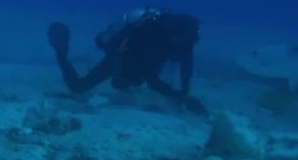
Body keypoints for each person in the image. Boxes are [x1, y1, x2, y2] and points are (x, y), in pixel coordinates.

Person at [47, 7, 207, 113]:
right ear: (174, 35)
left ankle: (124, 80)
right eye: (184, 42)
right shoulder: (151, 37)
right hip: (121, 56)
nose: (186, 47)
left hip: (141, 63)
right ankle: (61, 51)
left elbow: (187, 66)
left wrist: (184, 94)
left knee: (132, 81)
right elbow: (152, 80)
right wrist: (181, 97)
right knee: (78, 87)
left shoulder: (185, 41)